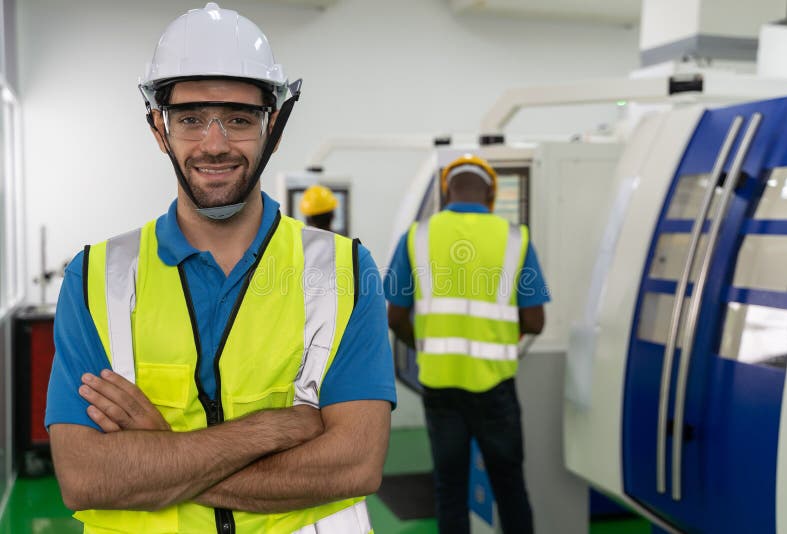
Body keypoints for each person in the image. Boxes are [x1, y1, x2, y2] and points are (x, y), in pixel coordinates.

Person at [45, 4, 396, 533]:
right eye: (189, 119)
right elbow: (85, 476)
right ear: (159, 130)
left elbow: (355, 463)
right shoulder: (95, 278)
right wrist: (275, 430)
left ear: (271, 125)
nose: (214, 144)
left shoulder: (344, 272)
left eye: (238, 118)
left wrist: (157, 454)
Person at [383, 154, 548, 534]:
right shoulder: (515, 238)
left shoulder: (417, 236)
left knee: (450, 487)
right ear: (491, 194)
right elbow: (536, 320)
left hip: (440, 386)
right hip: (496, 386)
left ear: (446, 192)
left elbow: (395, 317)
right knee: (509, 486)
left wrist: (427, 345)